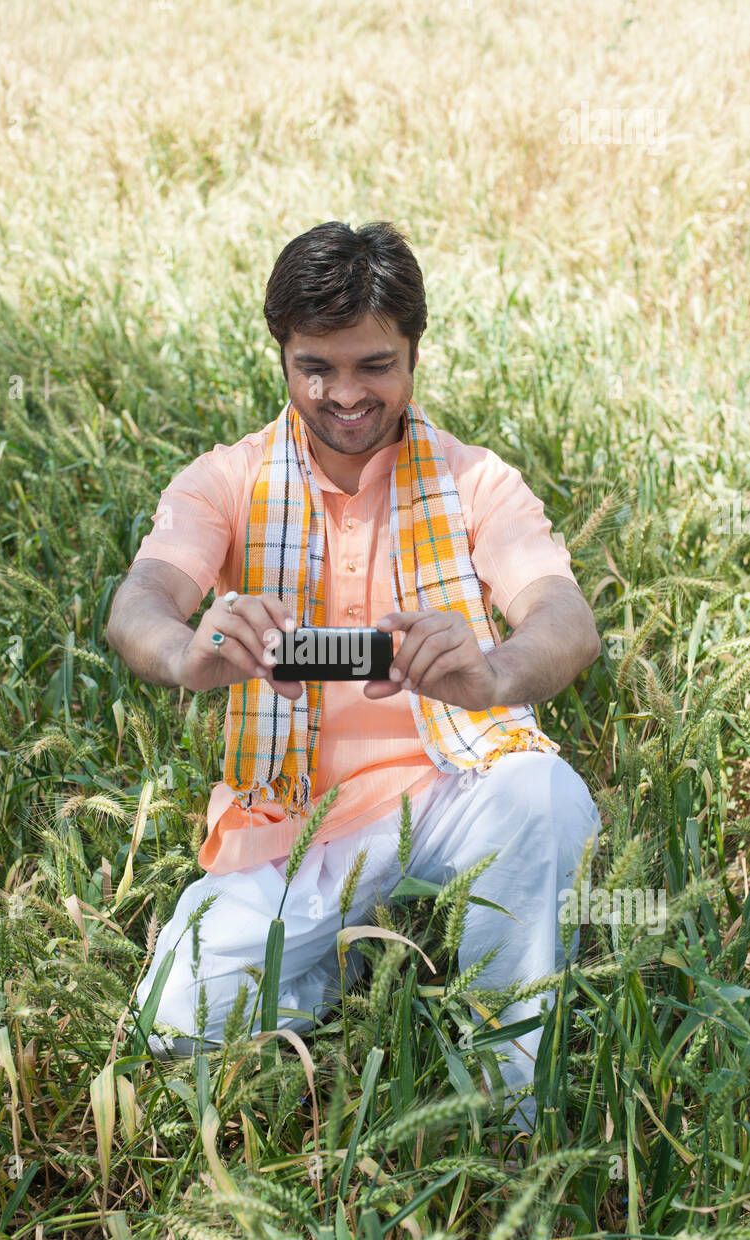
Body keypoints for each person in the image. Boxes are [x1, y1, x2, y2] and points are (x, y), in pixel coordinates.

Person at [105, 221, 603, 1129]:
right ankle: (360, 956)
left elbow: (566, 621)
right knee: (175, 1027)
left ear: (414, 351)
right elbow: (138, 602)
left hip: (453, 788)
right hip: (292, 820)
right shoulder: (226, 479)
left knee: (544, 792)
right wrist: (192, 651)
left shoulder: (474, 479)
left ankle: (506, 1101)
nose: (342, 395)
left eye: (373, 365)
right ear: (282, 358)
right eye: (314, 368)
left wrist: (491, 675)